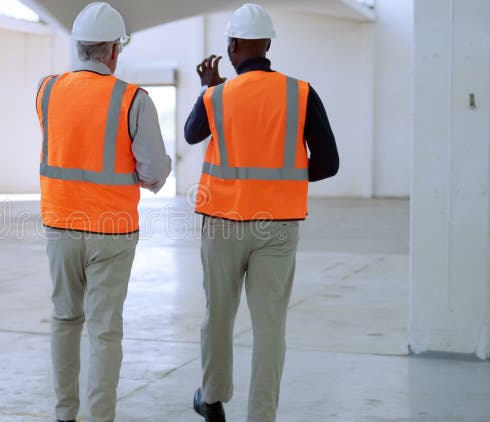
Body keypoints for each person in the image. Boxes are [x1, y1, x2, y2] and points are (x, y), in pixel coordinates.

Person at [184, 4, 339, 422]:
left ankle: (212, 399)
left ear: (232, 48)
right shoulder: (301, 93)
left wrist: (207, 88)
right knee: (270, 328)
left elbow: (191, 134)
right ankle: (261, 415)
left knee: (218, 315)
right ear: (267, 45)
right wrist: (282, 181)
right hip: (278, 227)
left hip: (223, 227)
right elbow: (328, 163)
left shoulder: (216, 96)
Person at [35, 2, 172, 421]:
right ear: (115, 50)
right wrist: (152, 179)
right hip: (112, 233)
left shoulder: (47, 90)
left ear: (78, 47)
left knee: (64, 318)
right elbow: (152, 169)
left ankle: (64, 414)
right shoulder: (133, 99)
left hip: (60, 225)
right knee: (105, 330)